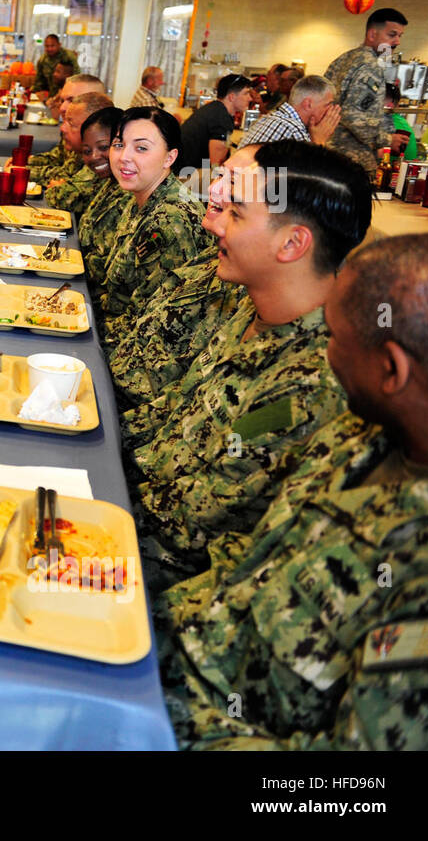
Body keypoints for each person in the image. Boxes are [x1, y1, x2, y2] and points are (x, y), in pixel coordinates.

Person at [156, 234, 428, 750]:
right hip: (165, 646)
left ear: (391, 370)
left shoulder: (421, 568)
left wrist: (137, 722)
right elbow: (252, 560)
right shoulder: (363, 438)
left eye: (331, 337)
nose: (320, 353)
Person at [122, 141, 372, 592]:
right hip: (132, 503)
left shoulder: (312, 382)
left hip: (156, 574)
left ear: (293, 243)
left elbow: (187, 529)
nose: (212, 222)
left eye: (236, 214)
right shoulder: (253, 311)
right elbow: (170, 417)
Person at [105, 147, 253, 409]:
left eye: (231, 182)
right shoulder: (211, 256)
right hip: (112, 379)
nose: (214, 188)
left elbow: (178, 403)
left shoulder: (244, 290)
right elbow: (136, 321)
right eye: (219, 176)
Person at [96, 107, 210, 322]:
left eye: (141, 148)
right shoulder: (140, 197)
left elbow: (152, 320)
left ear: (169, 158)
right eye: (118, 145)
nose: (124, 157)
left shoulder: (171, 219)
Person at [326, 7, 410, 173]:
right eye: (392, 35)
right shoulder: (371, 66)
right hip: (351, 161)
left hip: (328, 152)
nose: (397, 42)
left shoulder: (344, 58)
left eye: (400, 36)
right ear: (372, 35)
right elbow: (354, 117)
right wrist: (387, 139)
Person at [46, 103, 119, 220]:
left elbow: (66, 196)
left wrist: (60, 187)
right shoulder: (108, 182)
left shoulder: (123, 186)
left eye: (104, 147)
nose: (94, 156)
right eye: (87, 151)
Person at [30, 92, 113, 188]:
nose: (62, 128)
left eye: (71, 124)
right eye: (62, 100)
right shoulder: (80, 150)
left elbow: (65, 194)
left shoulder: (100, 158)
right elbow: (64, 172)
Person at [175, 73, 253, 174]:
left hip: (180, 170)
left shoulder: (215, 109)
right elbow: (216, 165)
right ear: (232, 97)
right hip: (185, 176)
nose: (250, 98)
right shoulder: (221, 117)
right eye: (246, 93)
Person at [238, 74, 339, 148]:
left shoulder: (275, 117)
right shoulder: (294, 130)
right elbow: (312, 175)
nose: (330, 111)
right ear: (308, 104)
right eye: (327, 105)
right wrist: (319, 141)